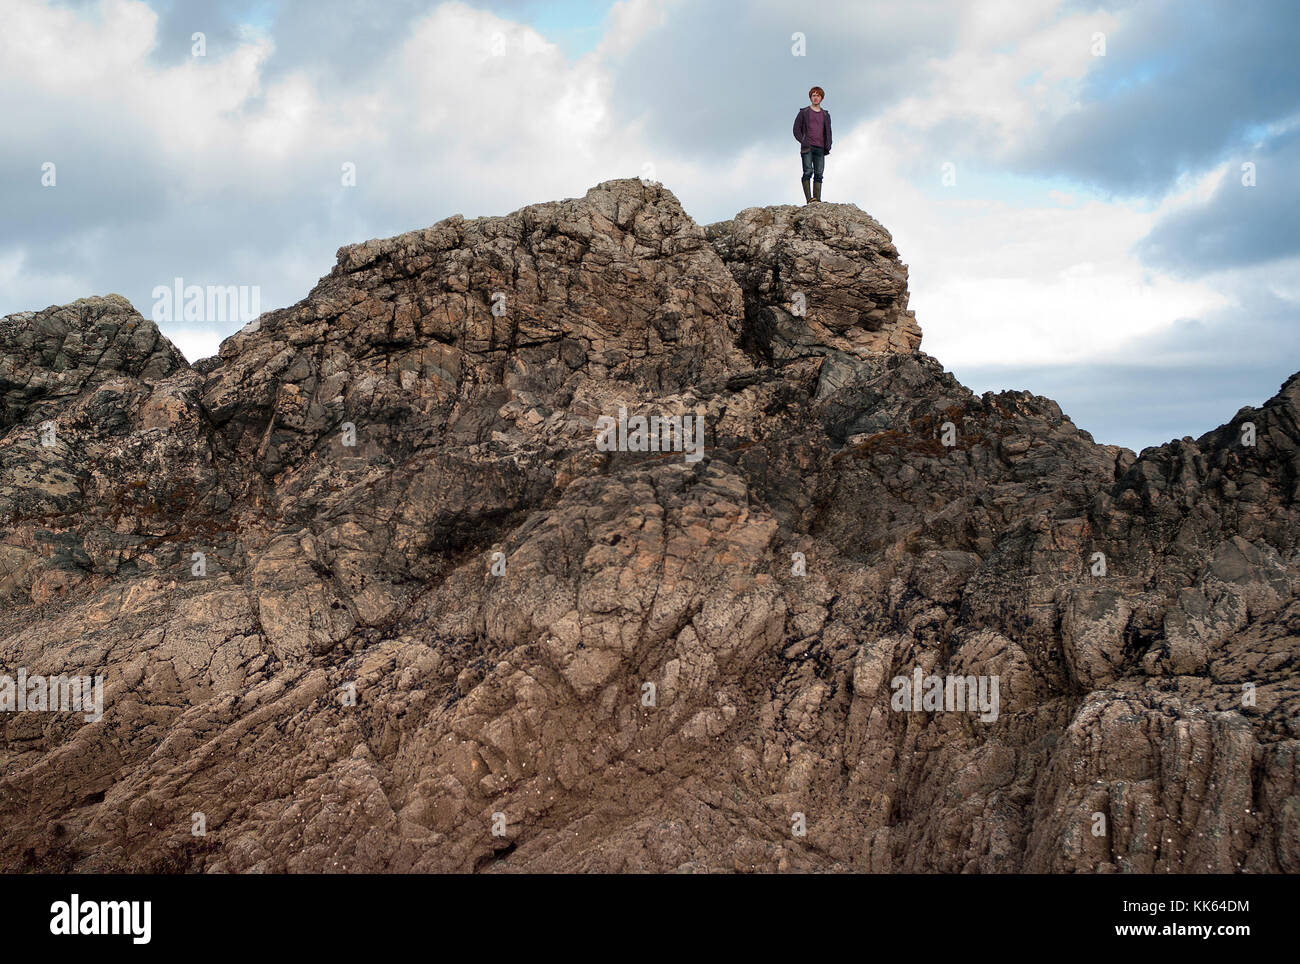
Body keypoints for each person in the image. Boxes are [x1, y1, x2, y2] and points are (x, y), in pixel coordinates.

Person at [792, 87, 832, 204]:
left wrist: (828, 144)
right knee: (808, 171)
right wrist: (803, 140)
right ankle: (809, 199)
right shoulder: (804, 112)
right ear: (810, 97)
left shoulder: (825, 115)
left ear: (821, 98)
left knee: (819, 173)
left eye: (818, 96)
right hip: (807, 147)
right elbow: (796, 129)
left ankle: (817, 200)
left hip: (820, 147)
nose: (815, 98)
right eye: (813, 95)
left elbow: (828, 131)